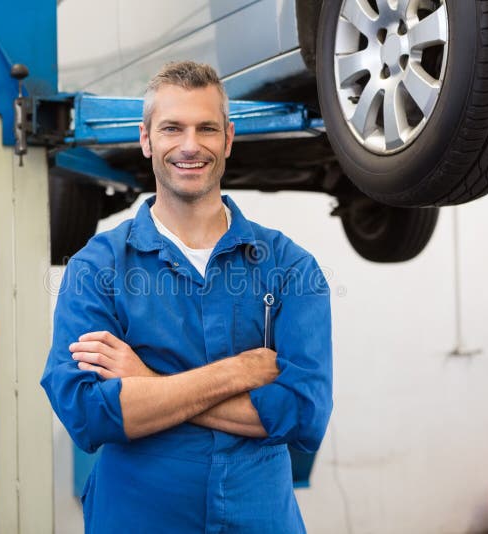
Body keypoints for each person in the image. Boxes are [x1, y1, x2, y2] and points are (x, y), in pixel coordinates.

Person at [41, 61, 333, 533]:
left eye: (207, 129)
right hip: (137, 519)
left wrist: (145, 383)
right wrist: (237, 372)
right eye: (172, 128)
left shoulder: (290, 267)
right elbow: (88, 413)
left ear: (229, 140)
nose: (190, 145)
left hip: (258, 519)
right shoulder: (96, 268)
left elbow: (304, 415)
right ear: (146, 139)